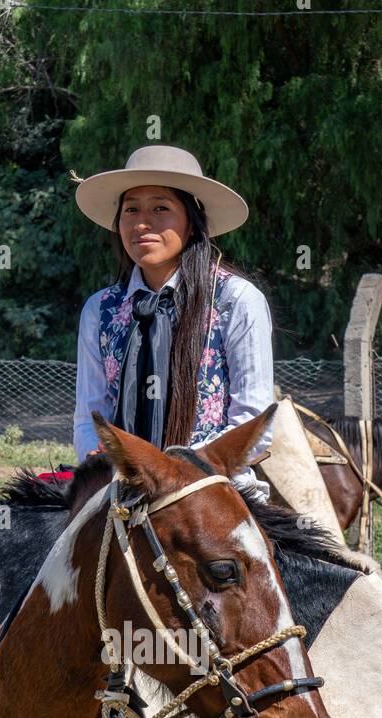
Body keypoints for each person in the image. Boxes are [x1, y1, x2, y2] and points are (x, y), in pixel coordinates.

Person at [71, 144, 274, 499]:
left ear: (191, 222)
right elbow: (90, 415)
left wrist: (178, 471)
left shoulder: (235, 300)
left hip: (212, 486)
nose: (142, 223)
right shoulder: (99, 309)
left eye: (160, 208)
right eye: (130, 209)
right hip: (124, 484)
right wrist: (104, 457)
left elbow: (253, 423)